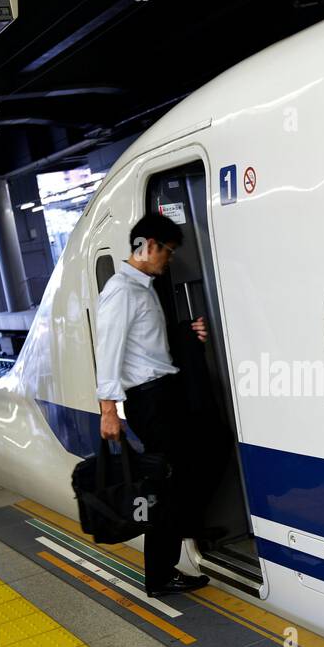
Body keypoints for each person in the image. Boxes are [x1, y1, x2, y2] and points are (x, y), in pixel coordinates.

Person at [95, 212, 212, 597]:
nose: (170, 258)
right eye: (168, 250)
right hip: (150, 401)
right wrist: (108, 411)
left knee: (192, 463)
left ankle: (183, 537)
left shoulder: (142, 288)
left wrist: (184, 332)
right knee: (166, 485)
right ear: (147, 246)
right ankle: (160, 575)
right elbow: (108, 352)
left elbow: (145, 345)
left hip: (163, 395)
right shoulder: (121, 291)